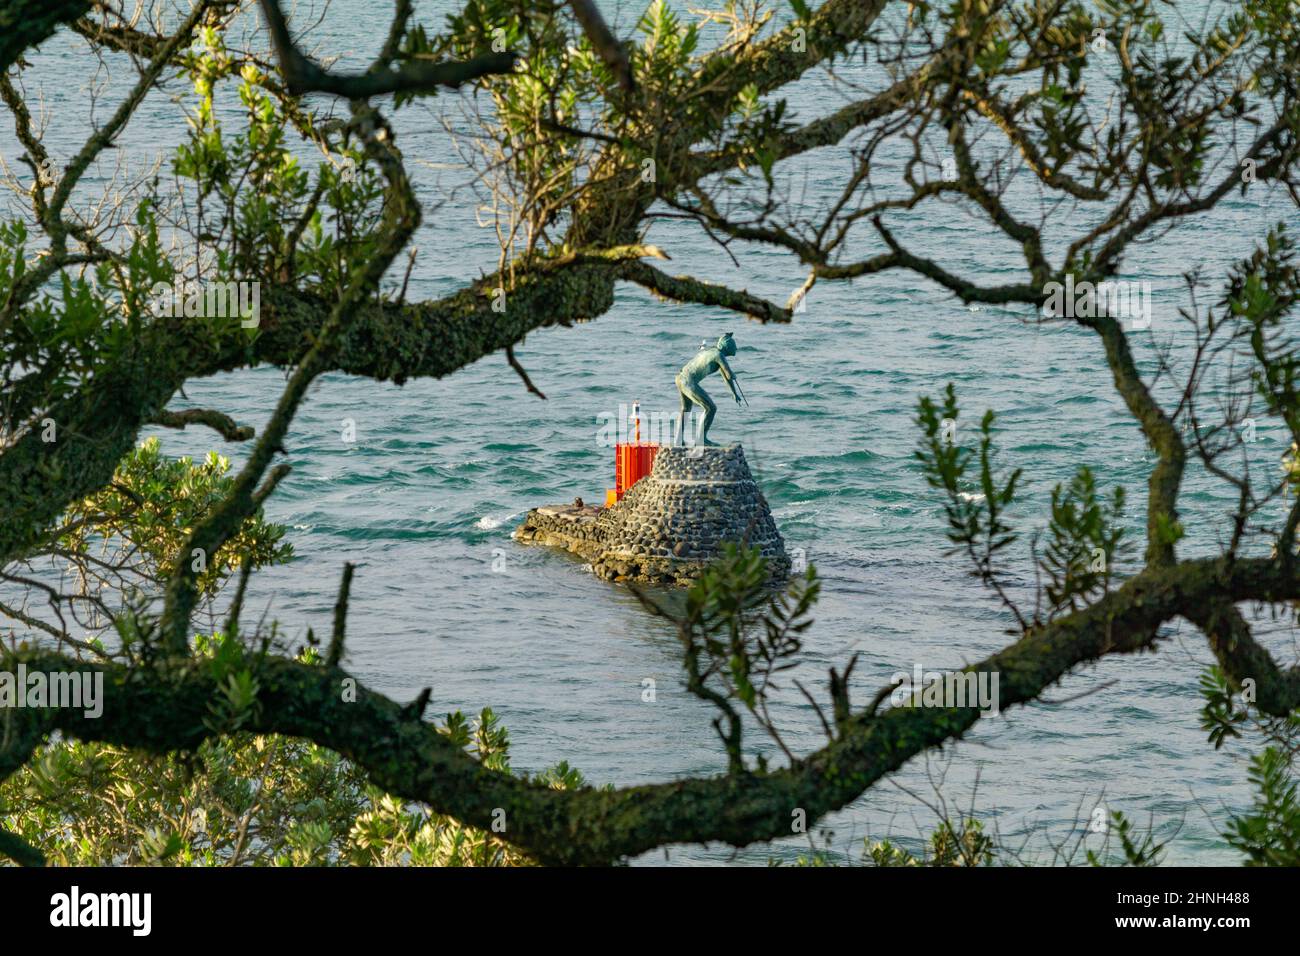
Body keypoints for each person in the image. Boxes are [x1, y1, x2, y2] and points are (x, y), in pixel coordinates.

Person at [675, 333, 744, 446]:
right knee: (711, 408)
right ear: (728, 347)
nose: (736, 349)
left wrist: (734, 393)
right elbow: (728, 374)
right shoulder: (719, 355)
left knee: (685, 408)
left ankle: (678, 440)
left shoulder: (713, 352)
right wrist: (733, 374)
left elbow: (726, 376)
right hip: (688, 381)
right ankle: (701, 439)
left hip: (680, 378)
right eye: (734, 346)